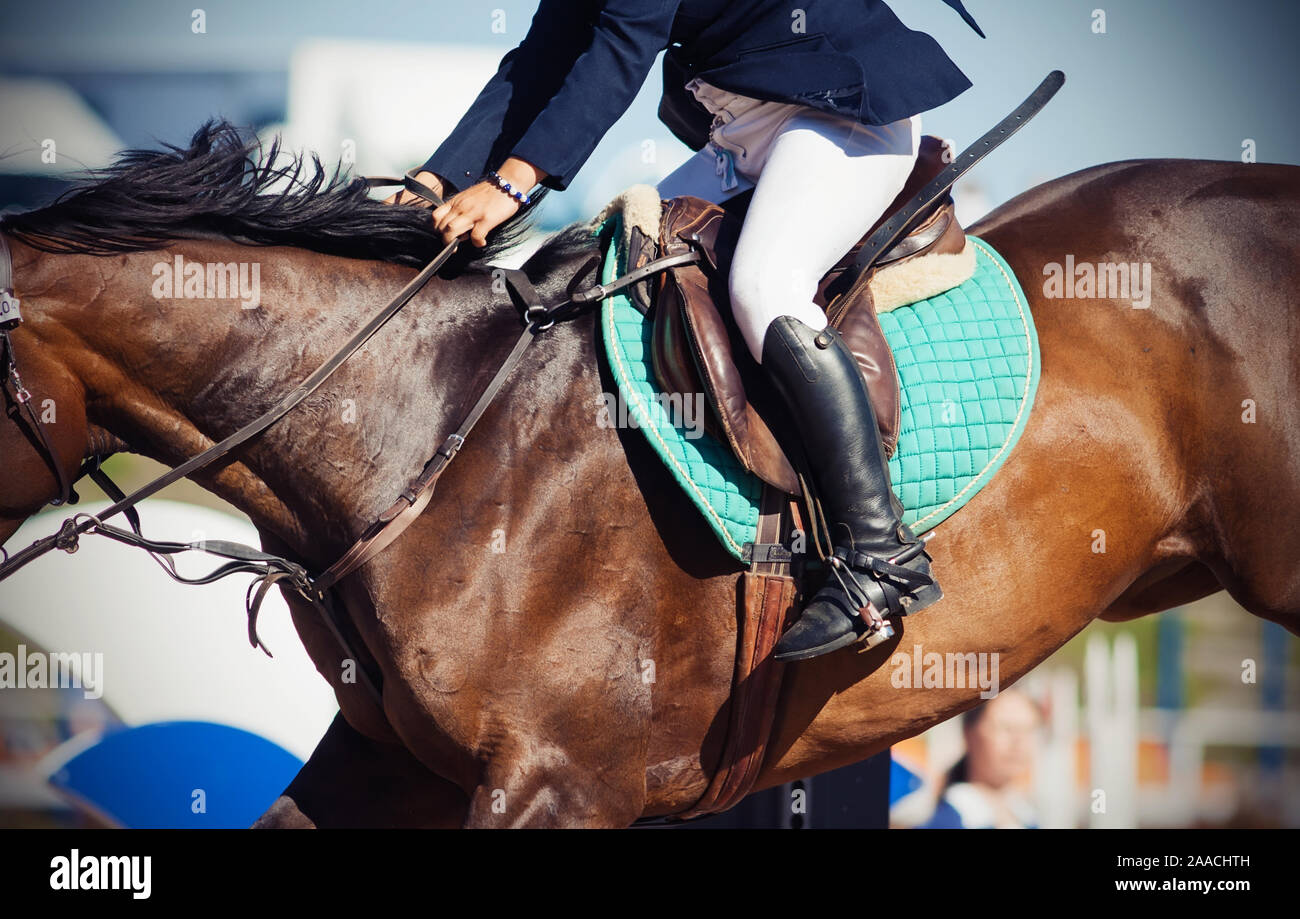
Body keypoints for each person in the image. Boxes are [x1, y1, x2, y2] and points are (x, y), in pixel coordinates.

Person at [390, 0, 984, 661]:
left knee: (765, 287)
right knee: (602, 260)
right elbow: (543, 53)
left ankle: (880, 554)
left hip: (843, 114)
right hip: (740, 135)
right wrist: (431, 181)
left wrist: (513, 184)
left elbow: (622, 44)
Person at [918, 690, 1043, 829]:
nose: (1018, 741)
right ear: (969, 733)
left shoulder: (1027, 816)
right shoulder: (945, 820)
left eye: (1028, 729)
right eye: (1006, 728)